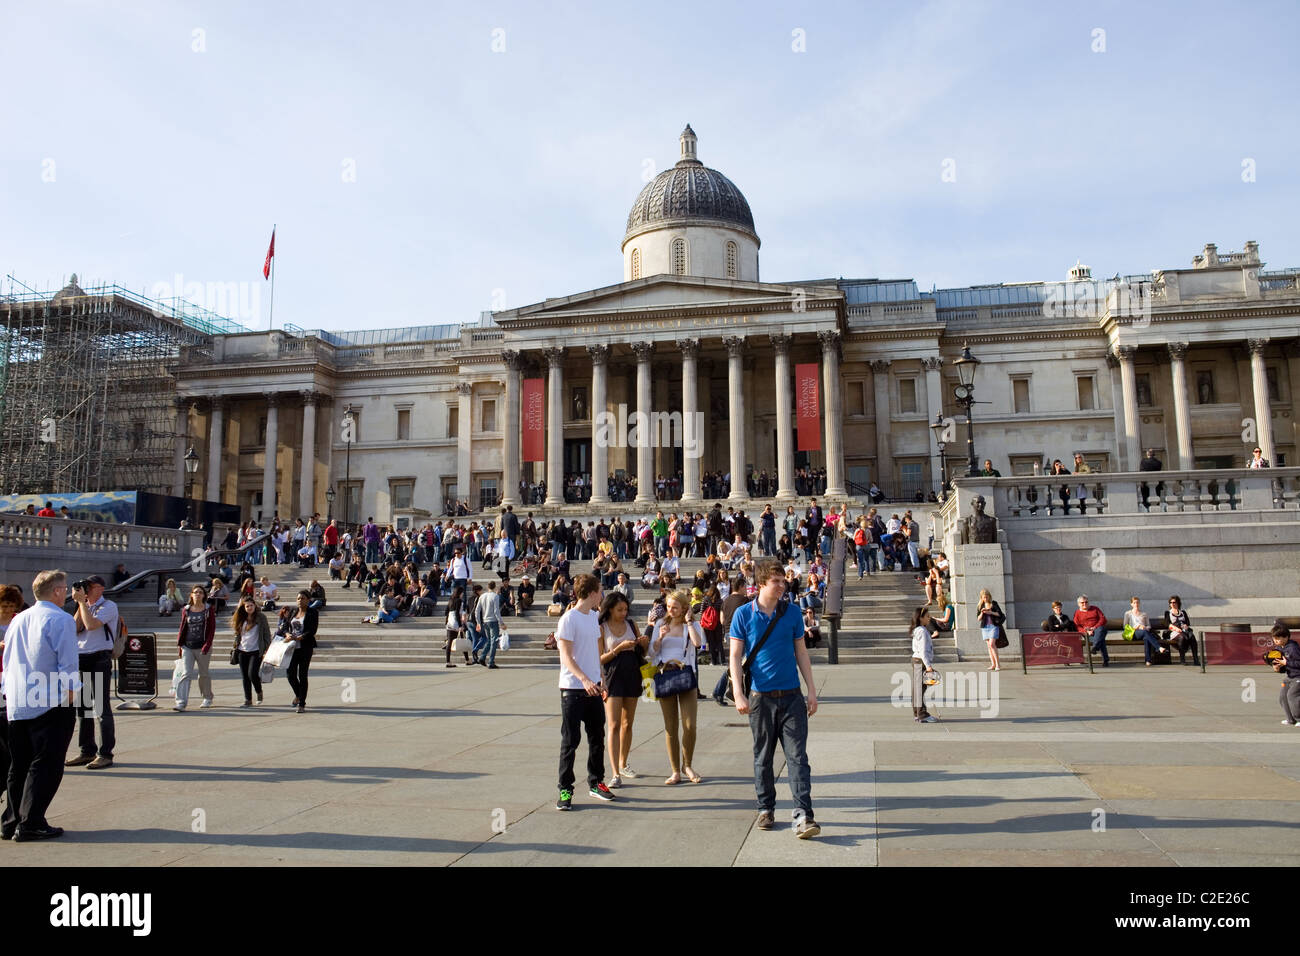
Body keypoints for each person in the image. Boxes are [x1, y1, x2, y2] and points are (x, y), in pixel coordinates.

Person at [728, 559, 819, 838]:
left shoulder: (792, 613)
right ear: (762, 584)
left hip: (791, 696)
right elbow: (734, 655)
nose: (783, 585)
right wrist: (738, 693)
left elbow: (801, 653)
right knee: (763, 757)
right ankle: (765, 807)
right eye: (777, 581)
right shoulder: (743, 614)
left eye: (784, 580)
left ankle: (804, 815)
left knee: (797, 758)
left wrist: (811, 690)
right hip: (760, 697)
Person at [2, 570, 80, 841]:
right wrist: (72, 694)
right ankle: (32, 821)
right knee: (46, 764)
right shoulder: (61, 619)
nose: (67, 592)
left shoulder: (18, 619)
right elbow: (68, 662)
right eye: (65, 588)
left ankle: (11, 821)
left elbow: (9, 659)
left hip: (18, 699)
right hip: (49, 701)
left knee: (19, 764)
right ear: (57, 591)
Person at [555, 573, 615, 810]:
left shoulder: (593, 618)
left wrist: (601, 677)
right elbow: (566, 657)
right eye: (600, 590)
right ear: (591, 593)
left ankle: (596, 782)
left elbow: (594, 653)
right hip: (572, 688)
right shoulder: (568, 619)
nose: (602, 595)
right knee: (570, 741)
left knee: (597, 737)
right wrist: (584, 679)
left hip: (594, 687)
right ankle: (565, 790)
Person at [652, 589, 703, 785]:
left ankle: (687, 764)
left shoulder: (692, 625)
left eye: (675, 607)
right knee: (670, 726)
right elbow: (651, 652)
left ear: (684, 608)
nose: (670, 610)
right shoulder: (660, 624)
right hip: (666, 675)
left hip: (686, 675)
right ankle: (675, 770)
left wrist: (690, 622)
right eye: (668, 606)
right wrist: (660, 638)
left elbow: (698, 643)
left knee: (690, 725)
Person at [66, 575, 117, 768]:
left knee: (101, 708)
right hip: (81, 657)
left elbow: (91, 625)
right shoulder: (83, 605)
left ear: (100, 588)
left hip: (99, 658)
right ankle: (86, 751)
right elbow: (74, 628)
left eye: (89, 586)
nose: (86, 589)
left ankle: (106, 753)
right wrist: (81, 603)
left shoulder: (109, 606)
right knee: (84, 708)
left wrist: (83, 604)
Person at [597, 591, 647, 787]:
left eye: (626, 609)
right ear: (609, 609)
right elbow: (599, 658)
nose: (624, 613)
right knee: (614, 724)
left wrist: (643, 643)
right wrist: (617, 649)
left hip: (632, 674)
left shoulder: (631, 625)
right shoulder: (601, 628)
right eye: (620, 610)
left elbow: (641, 651)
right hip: (612, 677)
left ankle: (624, 763)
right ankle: (615, 773)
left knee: (628, 723)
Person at [173, 585, 216, 712]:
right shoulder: (186, 610)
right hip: (188, 645)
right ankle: (181, 702)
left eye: (200, 592)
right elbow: (182, 627)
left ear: (204, 595)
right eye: (195, 592)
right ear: (191, 595)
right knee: (186, 674)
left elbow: (211, 629)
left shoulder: (208, 610)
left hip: (202, 646)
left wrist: (207, 645)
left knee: (203, 674)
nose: (197, 594)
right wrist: (180, 645)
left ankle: (207, 697)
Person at [230, 596, 272, 706]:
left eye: (251, 605)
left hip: (256, 650)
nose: (249, 608)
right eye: (247, 606)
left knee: (252, 674)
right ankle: (248, 700)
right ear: (243, 607)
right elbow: (237, 633)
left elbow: (267, 633)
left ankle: (259, 691)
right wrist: (235, 644)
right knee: (245, 676)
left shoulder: (261, 617)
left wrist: (267, 647)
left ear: (255, 606)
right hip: (242, 650)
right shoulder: (240, 617)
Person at [284, 591, 318, 713]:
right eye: (298, 598)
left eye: (303, 598)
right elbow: (285, 626)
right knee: (290, 674)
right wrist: (287, 634)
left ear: (308, 600)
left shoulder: (313, 612)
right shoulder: (293, 611)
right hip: (292, 647)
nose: (300, 600)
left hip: (305, 647)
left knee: (302, 675)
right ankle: (298, 695)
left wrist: (300, 637)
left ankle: (302, 703)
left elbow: (312, 630)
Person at [910, 606, 938, 723]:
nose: (929, 618)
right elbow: (922, 651)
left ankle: (917, 713)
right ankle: (922, 714)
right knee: (920, 688)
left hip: (916, 660)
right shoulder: (922, 631)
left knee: (918, 688)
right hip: (920, 661)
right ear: (921, 618)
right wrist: (928, 666)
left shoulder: (918, 630)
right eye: (927, 616)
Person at [1269, 623, 1300, 726]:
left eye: (1278, 638)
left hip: (1298, 677)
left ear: (1286, 637)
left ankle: (1299, 718)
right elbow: (1282, 667)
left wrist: (1286, 663)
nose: (1276, 641)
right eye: (1274, 638)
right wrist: (1277, 668)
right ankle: (1290, 719)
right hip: (1290, 677)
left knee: (1292, 696)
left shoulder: (1293, 648)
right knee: (1283, 696)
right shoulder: (1280, 649)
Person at [1160, 595, 1199, 666]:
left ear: (1178, 603)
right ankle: (1182, 659)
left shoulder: (1183, 612)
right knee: (1181, 637)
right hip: (1174, 631)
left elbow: (1187, 622)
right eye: (1170, 602)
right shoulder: (1168, 613)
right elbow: (1167, 624)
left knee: (1192, 637)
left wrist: (1185, 626)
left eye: (1174, 602)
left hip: (1184, 630)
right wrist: (1176, 628)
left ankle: (1196, 659)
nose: (1172, 604)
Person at [1073, 594, 1109, 666]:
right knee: (1101, 640)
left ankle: (1095, 647)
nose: (1084, 604)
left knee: (1101, 629)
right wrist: (1086, 631)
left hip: (1097, 629)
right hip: (1087, 633)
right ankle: (1105, 659)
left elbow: (1103, 619)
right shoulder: (1077, 613)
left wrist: (1094, 627)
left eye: (1086, 602)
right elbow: (1077, 626)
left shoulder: (1095, 609)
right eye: (1082, 603)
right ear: (1078, 604)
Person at [474, 581, 503, 669]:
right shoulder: (495, 596)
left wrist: (478, 622)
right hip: (493, 620)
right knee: (494, 641)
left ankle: (482, 657)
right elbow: (496, 611)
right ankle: (491, 662)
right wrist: (501, 622)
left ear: (487, 587)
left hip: (485, 621)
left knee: (490, 640)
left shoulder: (482, 596)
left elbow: (477, 610)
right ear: (495, 587)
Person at [1125, 596, 1162, 666]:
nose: (1136, 604)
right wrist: (1137, 627)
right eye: (1134, 603)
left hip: (1144, 632)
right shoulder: (1128, 613)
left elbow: (1149, 626)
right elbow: (1125, 626)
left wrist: (1144, 627)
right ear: (1131, 604)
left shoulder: (1144, 614)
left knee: (1146, 638)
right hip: (1133, 633)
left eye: (1137, 602)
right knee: (1146, 633)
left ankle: (1148, 660)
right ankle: (1158, 647)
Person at [976, 588, 1004, 671]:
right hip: (985, 627)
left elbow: (999, 614)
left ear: (989, 596)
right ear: (981, 598)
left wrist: (990, 612)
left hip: (993, 627)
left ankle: (998, 665)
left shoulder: (993, 604)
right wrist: (982, 612)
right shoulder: (980, 606)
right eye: (984, 597)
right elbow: (978, 619)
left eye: (987, 597)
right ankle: (993, 664)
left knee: (992, 644)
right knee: (989, 646)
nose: (985, 599)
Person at [443, 587, 470, 667]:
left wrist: (447, 621)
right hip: (456, 622)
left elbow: (446, 612)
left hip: (449, 622)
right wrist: (460, 625)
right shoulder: (459, 601)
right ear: (460, 593)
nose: (463, 594)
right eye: (462, 593)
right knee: (462, 640)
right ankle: (467, 660)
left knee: (450, 642)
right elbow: (457, 613)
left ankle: (448, 661)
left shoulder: (450, 600)